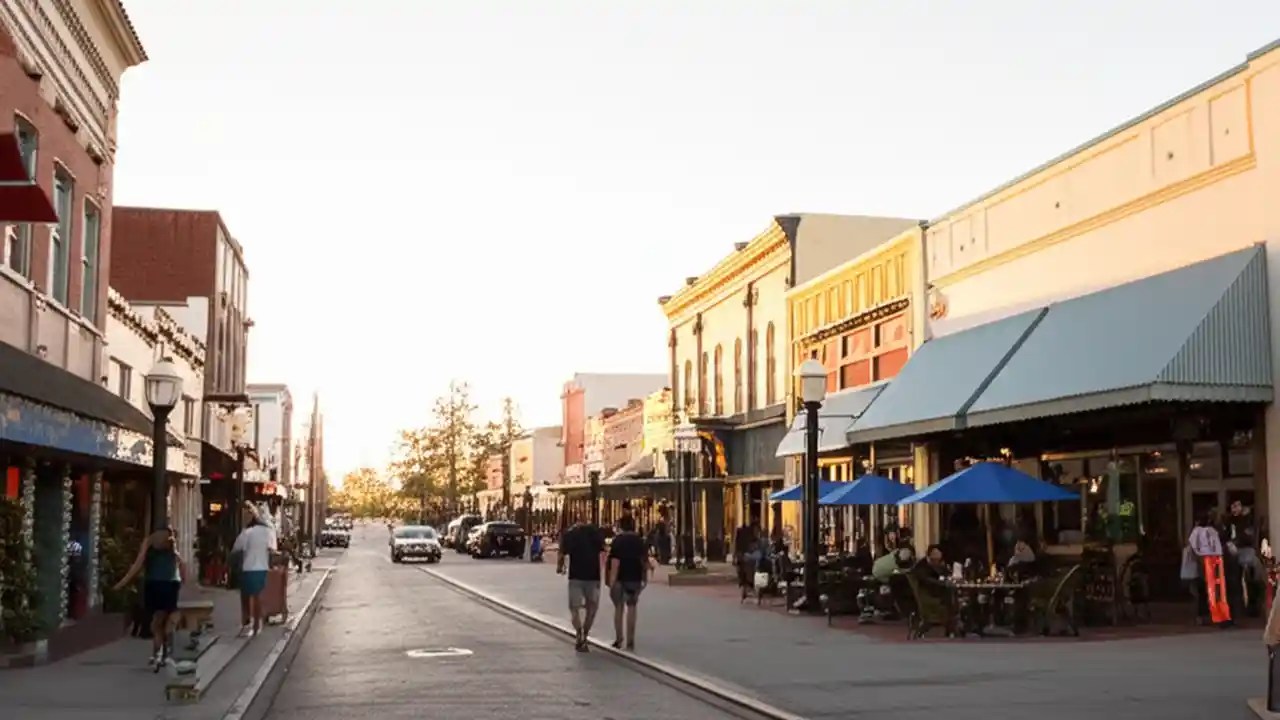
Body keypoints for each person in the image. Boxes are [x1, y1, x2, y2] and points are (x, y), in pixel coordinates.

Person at [113, 527, 185, 668]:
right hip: (171, 584)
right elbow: (182, 563)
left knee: (156, 622)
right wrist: (182, 580)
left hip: (153, 584)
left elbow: (137, 565)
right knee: (167, 619)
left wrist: (121, 584)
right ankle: (166, 653)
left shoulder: (149, 542)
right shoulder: (171, 543)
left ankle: (157, 654)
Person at [607, 514, 654, 650]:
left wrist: (612, 581)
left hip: (620, 578)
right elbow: (644, 560)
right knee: (632, 607)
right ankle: (630, 640)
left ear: (621, 526)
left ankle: (619, 638)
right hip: (635, 578)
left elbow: (615, 562)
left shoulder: (617, 541)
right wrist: (644, 578)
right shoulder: (639, 540)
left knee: (619, 608)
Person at [557, 519, 604, 652]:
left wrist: (559, 566)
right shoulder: (595, 533)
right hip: (593, 576)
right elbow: (603, 550)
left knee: (574, 608)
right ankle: (585, 633)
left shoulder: (570, 534)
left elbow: (562, 552)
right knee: (592, 608)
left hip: (576, 576)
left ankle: (579, 633)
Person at [233, 509, 277, 637]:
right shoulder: (269, 533)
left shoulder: (247, 533)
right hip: (262, 568)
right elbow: (272, 550)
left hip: (247, 568)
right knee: (258, 597)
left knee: (245, 597)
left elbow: (236, 548)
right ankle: (257, 624)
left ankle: (246, 622)